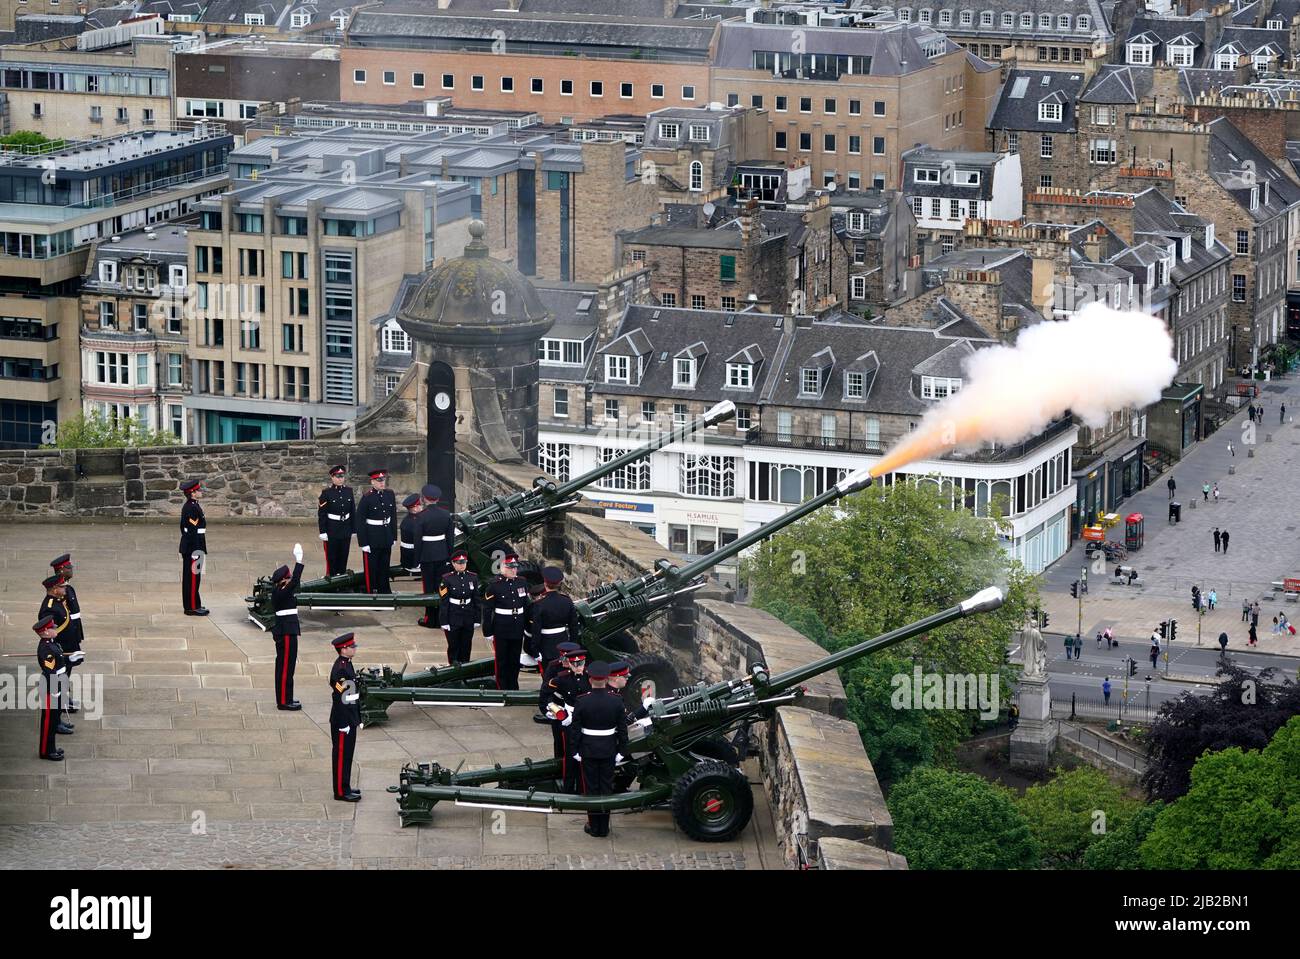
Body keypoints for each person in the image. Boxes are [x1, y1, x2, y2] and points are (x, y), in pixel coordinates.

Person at [566, 660, 627, 838]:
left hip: (588, 749)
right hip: (609, 749)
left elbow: (576, 730)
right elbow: (622, 730)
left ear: (590, 679)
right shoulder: (616, 700)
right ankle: (604, 827)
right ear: (607, 679)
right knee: (606, 787)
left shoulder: (582, 701)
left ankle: (594, 827)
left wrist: (575, 751)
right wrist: (622, 751)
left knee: (592, 789)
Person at [482, 553, 531, 690]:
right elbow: (487, 610)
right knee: (502, 660)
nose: (514, 570)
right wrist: (488, 631)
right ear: (503, 568)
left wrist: (528, 627)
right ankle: (502, 687)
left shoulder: (522, 582)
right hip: (501, 627)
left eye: (515, 567)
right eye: (510, 568)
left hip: (517, 626)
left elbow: (526, 607)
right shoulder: (494, 585)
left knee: (515, 659)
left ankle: (513, 686)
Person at [546, 645, 590, 794]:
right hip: (569, 720)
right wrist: (560, 713)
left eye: (581, 664)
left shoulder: (590, 677)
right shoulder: (562, 679)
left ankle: (584, 789)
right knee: (570, 759)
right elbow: (547, 698)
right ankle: (569, 790)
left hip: (586, 720)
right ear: (570, 664)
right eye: (575, 664)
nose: (579, 667)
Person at [37, 574, 75, 734]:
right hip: (59, 649)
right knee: (57, 688)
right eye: (62, 587)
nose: (65, 588)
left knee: (63, 682)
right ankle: (57, 720)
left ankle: (59, 714)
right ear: (54, 589)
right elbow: (49, 630)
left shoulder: (58, 601)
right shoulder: (49, 607)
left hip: (65, 648)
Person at [269, 545, 305, 711]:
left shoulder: (281, 591)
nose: (290, 580)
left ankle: (286, 698)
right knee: (285, 668)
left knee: (287, 668)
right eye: (288, 578)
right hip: (286, 633)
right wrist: (299, 561)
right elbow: (296, 581)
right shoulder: (281, 592)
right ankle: (283, 701)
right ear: (283, 580)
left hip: (287, 631)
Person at [48, 555, 85, 713]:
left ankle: (64, 696)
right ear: (61, 571)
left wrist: (77, 635)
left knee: (68, 668)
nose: (71, 569)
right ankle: (61, 698)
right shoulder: (60, 593)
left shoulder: (68, 588)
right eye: (68, 568)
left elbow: (75, 615)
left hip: (71, 635)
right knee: (63, 669)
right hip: (64, 639)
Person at [527, 566, 582, 671]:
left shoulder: (539, 604)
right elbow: (573, 626)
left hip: (545, 646)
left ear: (544, 582)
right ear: (559, 583)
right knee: (563, 673)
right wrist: (573, 645)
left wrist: (534, 650)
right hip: (563, 643)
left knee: (548, 677)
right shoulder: (566, 601)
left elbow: (536, 630)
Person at [329, 633, 362, 802]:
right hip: (343, 719)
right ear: (343, 649)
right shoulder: (341, 669)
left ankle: (345, 786)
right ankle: (341, 791)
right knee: (342, 755)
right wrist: (344, 723)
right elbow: (341, 699)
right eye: (352, 646)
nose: (354, 648)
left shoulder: (347, 664)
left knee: (347, 755)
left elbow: (351, 697)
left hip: (350, 718)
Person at [355, 468, 397, 594]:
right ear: (372, 482)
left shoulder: (390, 494)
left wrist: (393, 536)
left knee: (384, 566)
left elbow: (393, 516)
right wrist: (363, 543)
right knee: (372, 567)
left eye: (383, 480)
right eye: (378, 480)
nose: (382, 483)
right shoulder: (367, 498)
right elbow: (360, 521)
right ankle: (372, 591)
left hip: (386, 536)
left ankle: (384, 590)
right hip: (372, 536)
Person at [417, 484, 454, 625]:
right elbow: (450, 539)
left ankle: (430, 618)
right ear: (437, 499)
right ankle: (442, 618)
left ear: (425, 499)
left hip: (427, 555)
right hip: (442, 554)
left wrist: (417, 560)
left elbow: (418, 541)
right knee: (442, 587)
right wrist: (449, 557)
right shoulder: (445, 514)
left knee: (429, 587)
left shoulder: (421, 516)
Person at [437, 549, 480, 663]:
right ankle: (454, 669)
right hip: (453, 616)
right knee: (454, 646)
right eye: (459, 563)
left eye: (464, 562)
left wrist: (477, 619)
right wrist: (444, 621)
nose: (462, 565)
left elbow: (476, 600)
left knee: (466, 646)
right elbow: (444, 602)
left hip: (468, 616)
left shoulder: (473, 577)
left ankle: (465, 670)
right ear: (453, 564)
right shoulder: (446, 579)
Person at [35, 615, 68, 760]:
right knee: (49, 721)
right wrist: (55, 690)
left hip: (57, 683)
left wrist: (70, 660)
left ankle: (51, 748)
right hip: (50, 687)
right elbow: (50, 671)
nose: (55, 629)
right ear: (47, 632)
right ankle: (46, 751)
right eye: (52, 628)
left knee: (54, 720)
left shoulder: (52, 643)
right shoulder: (46, 648)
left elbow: (58, 662)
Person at [317, 465, 355, 576]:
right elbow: (322, 514)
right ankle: (333, 579)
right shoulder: (326, 493)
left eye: (342, 476)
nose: (340, 479)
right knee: (332, 557)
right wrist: (323, 531)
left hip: (346, 528)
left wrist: (354, 529)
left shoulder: (349, 491)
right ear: (332, 477)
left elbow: (352, 510)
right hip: (332, 529)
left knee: (344, 556)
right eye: (337, 477)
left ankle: (342, 577)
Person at [179, 479, 208, 615]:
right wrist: (195, 551)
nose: (200, 492)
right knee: (192, 579)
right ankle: (191, 607)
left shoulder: (194, 505)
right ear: (192, 493)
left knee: (196, 578)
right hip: (193, 548)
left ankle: (195, 603)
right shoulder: (191, 508)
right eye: (198, 490)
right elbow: (191, 531)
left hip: (196, 546)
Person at [398, 493, 423, 575]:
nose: (421, 507)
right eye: (419, 505)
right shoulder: (415, 523)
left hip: (407, 556)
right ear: (415, 509)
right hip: (413, 559)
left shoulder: (407, 520)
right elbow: (418, 543)